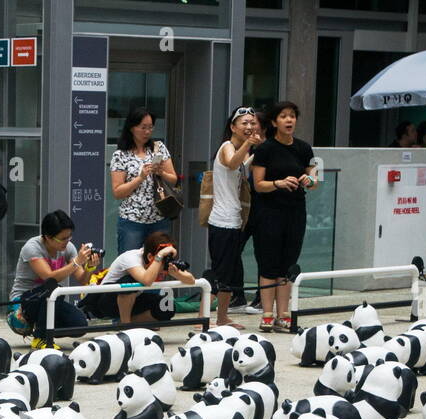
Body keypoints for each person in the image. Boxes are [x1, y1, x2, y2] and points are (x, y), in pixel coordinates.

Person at [250, 101, 317, 333]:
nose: (289, 120)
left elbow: (314, 177)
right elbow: (258, 185)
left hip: (295, 211)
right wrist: (278, 183)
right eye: (283, 116)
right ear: (274, 122)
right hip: (269, 212)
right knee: (268, 261)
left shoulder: (304, 148)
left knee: (288, 263)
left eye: (292, 116)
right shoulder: (265, 149)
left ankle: (283, 314)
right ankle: (267, 314)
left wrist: (310, 180)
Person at [206, 106, 263, 327]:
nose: (249, 127)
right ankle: (204, 317)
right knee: (219, 273)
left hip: (235, 220)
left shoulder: (241, 149)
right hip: (221, 221)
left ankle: (221, 317)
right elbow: (231, 162)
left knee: (228, 274)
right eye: (244, 123)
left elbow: (240, 166)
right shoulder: (227, 146)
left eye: (252, 122)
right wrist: (249, 144)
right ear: (232, 127)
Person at [9, 210, 98, 349]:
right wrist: (76, 262)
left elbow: (81, 279)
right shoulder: (32, 247)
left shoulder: (68, 248)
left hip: (49, 300)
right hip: (24, 301)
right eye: (63, 239)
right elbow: (48, 277)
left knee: (80, 325)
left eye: (69, 237)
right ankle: (41, 338)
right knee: (53, 288)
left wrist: (89, 268)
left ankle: (42, 330)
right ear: (48, 237)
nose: (67, 242)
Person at [83, 230, 195, 324]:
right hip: (104, 303)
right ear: (150, 256)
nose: (164, 263)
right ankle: (126, 327)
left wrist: (177, 274)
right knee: (130, 282)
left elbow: (191, 281)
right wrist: (159, 257)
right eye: (163, 257)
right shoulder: (131, 258)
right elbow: (147, 280)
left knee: (166, 307)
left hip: (133, 299)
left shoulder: (162, 260)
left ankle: (124, 323)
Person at [110, 107, 178, 256]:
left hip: (159, 217)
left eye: (150, 127)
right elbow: (117, 192)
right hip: (132, 220)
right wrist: (140, 178)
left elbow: (173, 179)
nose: (147, 132)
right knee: (130, 264)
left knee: (160, 263)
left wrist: (161, 172)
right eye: (143, 128)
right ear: (132, 128)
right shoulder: (120, 155)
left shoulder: (158, 148)